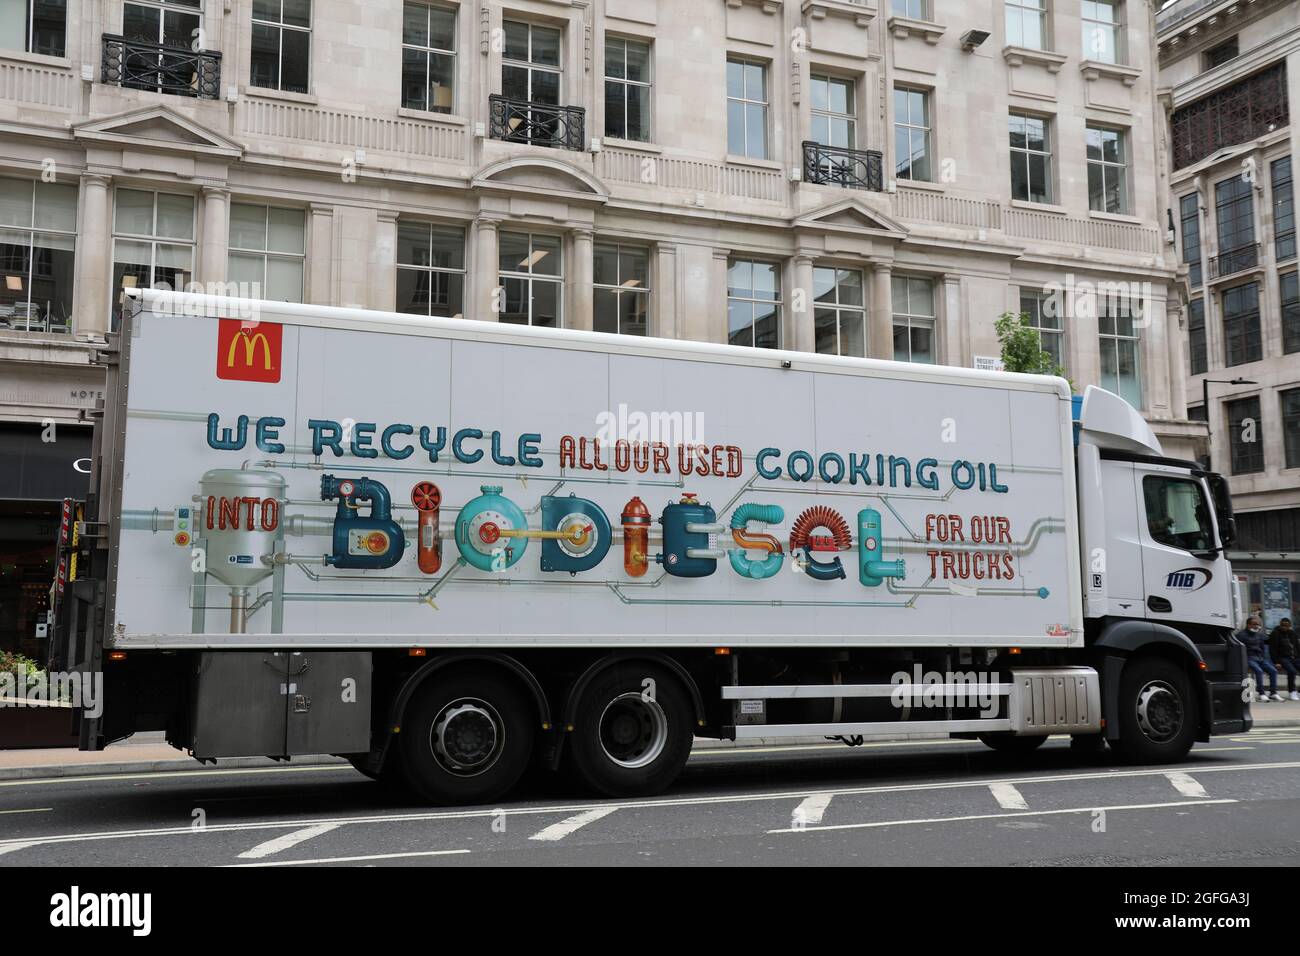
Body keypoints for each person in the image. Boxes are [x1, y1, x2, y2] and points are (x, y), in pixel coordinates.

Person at [1240, 616, 1281, 702]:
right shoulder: (1241, 635)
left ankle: (1273, 693)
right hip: (1249, 658)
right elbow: (1240, 649)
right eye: (1254, 624)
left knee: (1273, 671)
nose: (1257, 626)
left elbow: (1262, 647)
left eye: (1258, 624)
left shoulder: (1259, 635)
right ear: (1248, 624)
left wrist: (1262, 657)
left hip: (1260, 658)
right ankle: (1261, 693)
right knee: (1259, 671)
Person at [1269, 617, 1300, 701]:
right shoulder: (1275, 633)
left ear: (1289, 626)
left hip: (1295, 657)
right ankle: (1292, 692)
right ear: (1280, 624)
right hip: (1283, 658)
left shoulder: (1292, 633)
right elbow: (1273, 649)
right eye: (1283, 625)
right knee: (1292, 671)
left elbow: (1297, 646)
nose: (1284, 627)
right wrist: (1276, 662)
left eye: (1286, 625)